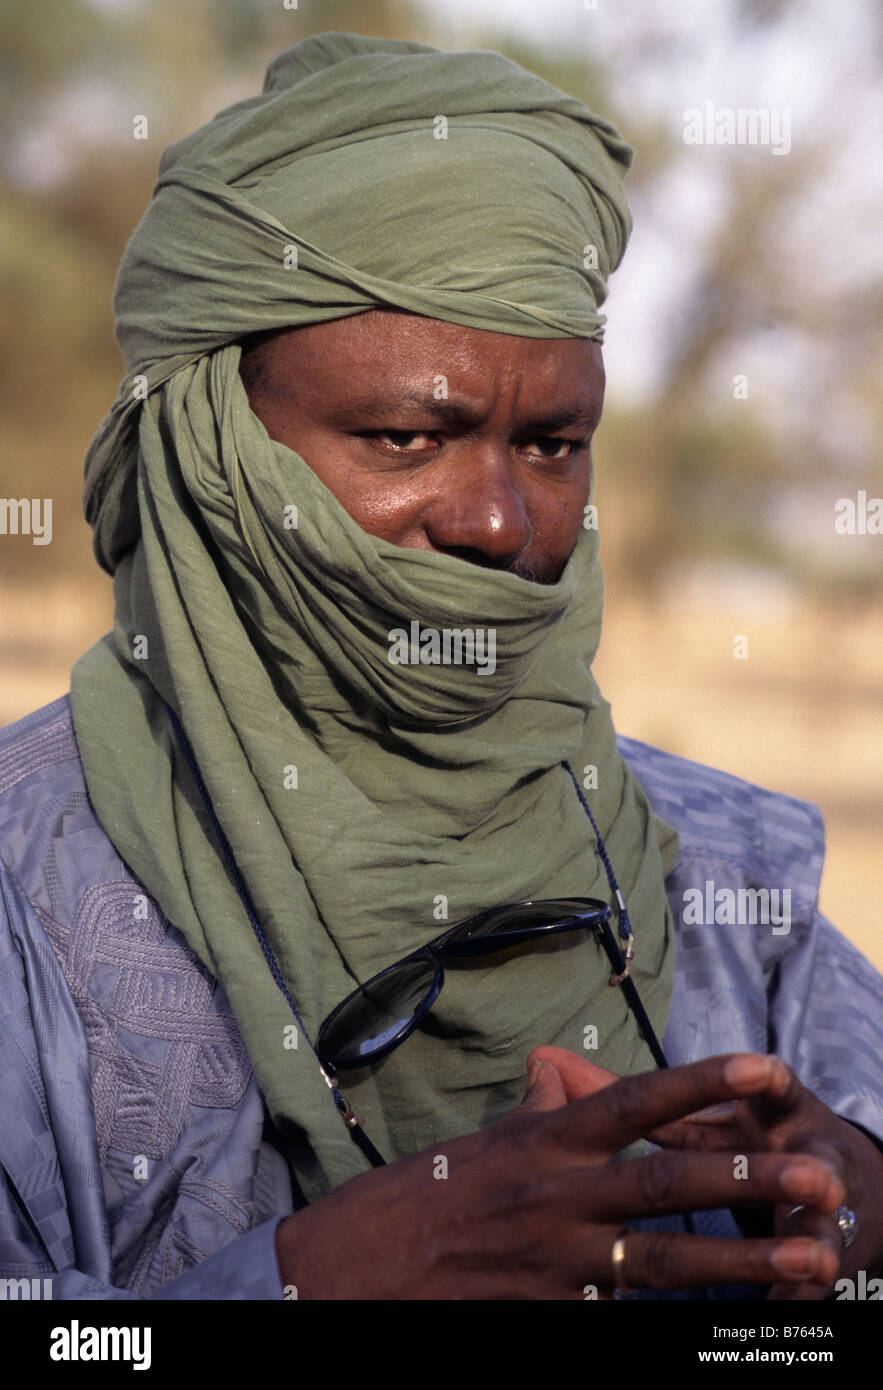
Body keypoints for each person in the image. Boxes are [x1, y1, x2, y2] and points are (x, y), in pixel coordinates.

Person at [1, 32, 881, 1303]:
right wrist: (308, 1283)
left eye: (552, 443)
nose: (496, 524)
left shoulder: (729, 885)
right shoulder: (27, 899)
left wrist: (839, 1208)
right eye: (408, 435)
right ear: (206, 447)